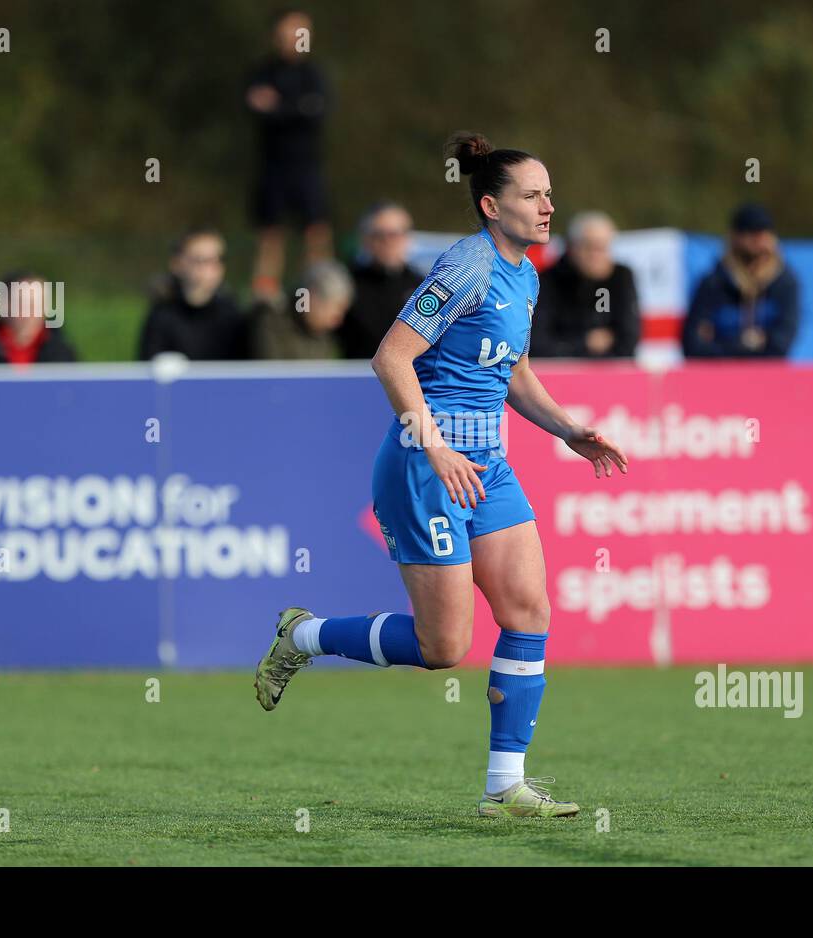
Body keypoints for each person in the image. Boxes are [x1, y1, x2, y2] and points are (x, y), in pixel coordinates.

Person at [253, 132, 628, 818]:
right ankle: (303, 635)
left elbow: (511, 371)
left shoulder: (528, 274)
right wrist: (436, 447)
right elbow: (391, 358)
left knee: (529, 612)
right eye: (531, 195)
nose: (548, 206)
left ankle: (503, 789)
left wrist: (568, 430)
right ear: (491, 205)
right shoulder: (465, 267)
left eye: (549, 193)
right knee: (444, 647)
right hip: (425, 465)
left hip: (486, 464)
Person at [244, 8, 332, 300]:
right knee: (270, 234)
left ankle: (318, 293)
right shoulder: (262, 72)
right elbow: (253, 106)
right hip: (272, 166)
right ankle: (265, 298)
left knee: (316, 233)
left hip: (307, 166)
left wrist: (278, 107)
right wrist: (296, 108)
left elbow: (316, 111)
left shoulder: (314, 75)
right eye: (286, 34)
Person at [682, 202, 800, 358]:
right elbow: (694, 347)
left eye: (764, 234)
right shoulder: (713, 283)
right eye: (753, 234)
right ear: (735, 237)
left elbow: (781, 345)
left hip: (769, 379)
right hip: (720, 377)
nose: (760, 241)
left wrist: (723, 344)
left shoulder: (785, 283)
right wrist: (749, 344)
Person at [532, 211, 640, 358]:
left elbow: (629, 340)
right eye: (589, 247)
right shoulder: (547, 281)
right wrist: (585, 343)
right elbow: (538, 344)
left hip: (610, 373)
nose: (596, 256)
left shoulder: (620, 277)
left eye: (602, 248)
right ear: (572, 248)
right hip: (561, 373)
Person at [137, 228, 255, 361]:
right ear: (177, 264)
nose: (209, 269)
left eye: (216, 260)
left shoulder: (233, 315)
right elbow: (147, 364)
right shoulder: (162, 315)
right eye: (200, 260)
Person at [338, 202, 423, 359]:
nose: (388, 243)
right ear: (365, 239)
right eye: (379, 236)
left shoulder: (423, 286)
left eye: (394, 235)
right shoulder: (345, 283)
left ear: (407, 238)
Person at [255, 259, 351, 360]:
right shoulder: (271, 321)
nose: (338, 321)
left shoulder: (324, 334)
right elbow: (273, 371)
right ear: (313, 298)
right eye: (335, 310)